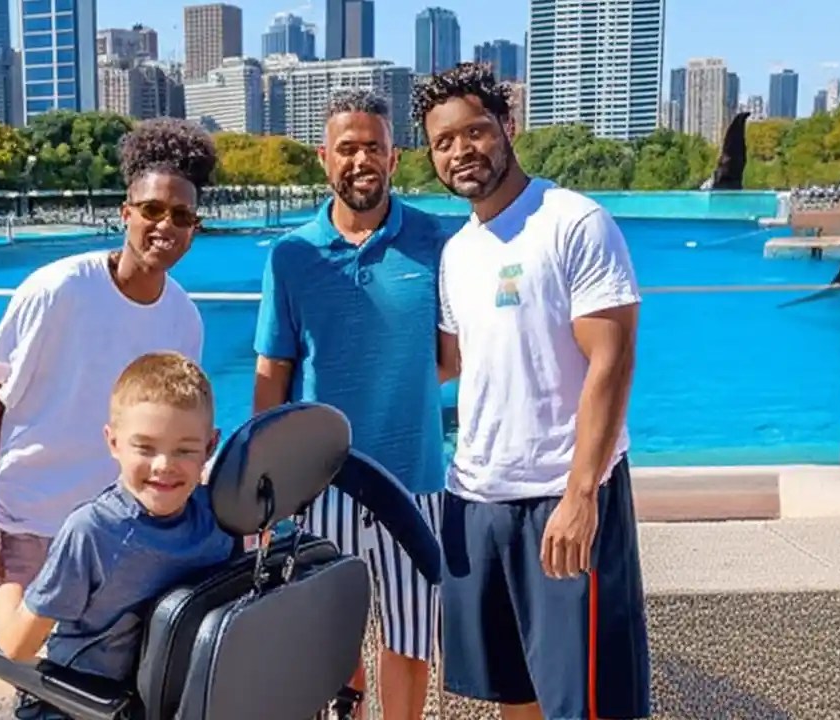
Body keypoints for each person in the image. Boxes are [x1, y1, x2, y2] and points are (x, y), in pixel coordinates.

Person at [412, 62, 650, 720]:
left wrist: (581, 495)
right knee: (510, 694)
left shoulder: (574, 221)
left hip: (561, 494)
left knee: (588, 701)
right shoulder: (458, 251)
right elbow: (450, 361)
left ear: (508, 128)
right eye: (444, 141)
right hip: (477, 496)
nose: (461, 151)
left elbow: (613, 358)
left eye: (476, 132)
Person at [0, 118, 219, 604]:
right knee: (12, 666)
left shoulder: (184, 320)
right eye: (151, 209)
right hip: (14, 520)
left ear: (194, 228)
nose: (165, 226)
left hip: (97, 534)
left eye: (181, 216)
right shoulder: (58, 290)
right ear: (124, 212)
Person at [252, 88, 448, 720]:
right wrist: (264, 482)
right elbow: (273, 372)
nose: (360, 160)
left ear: (395, 159)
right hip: (319, 488)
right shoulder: (292, 256)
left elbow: (452, 356)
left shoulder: (436, 242)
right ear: (324, 158)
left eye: (373, 148)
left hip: (413, 482)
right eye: (347, 148)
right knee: (326, 638)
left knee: (410, 638)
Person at [0, 351, 238, 720]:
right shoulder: (220, 520)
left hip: (70, 705)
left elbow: (18, 645)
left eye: (182, 450)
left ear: (111, 441)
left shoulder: (93, 531)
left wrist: (5, 596)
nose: (163, 464)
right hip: (160, 705)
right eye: (146, 448)